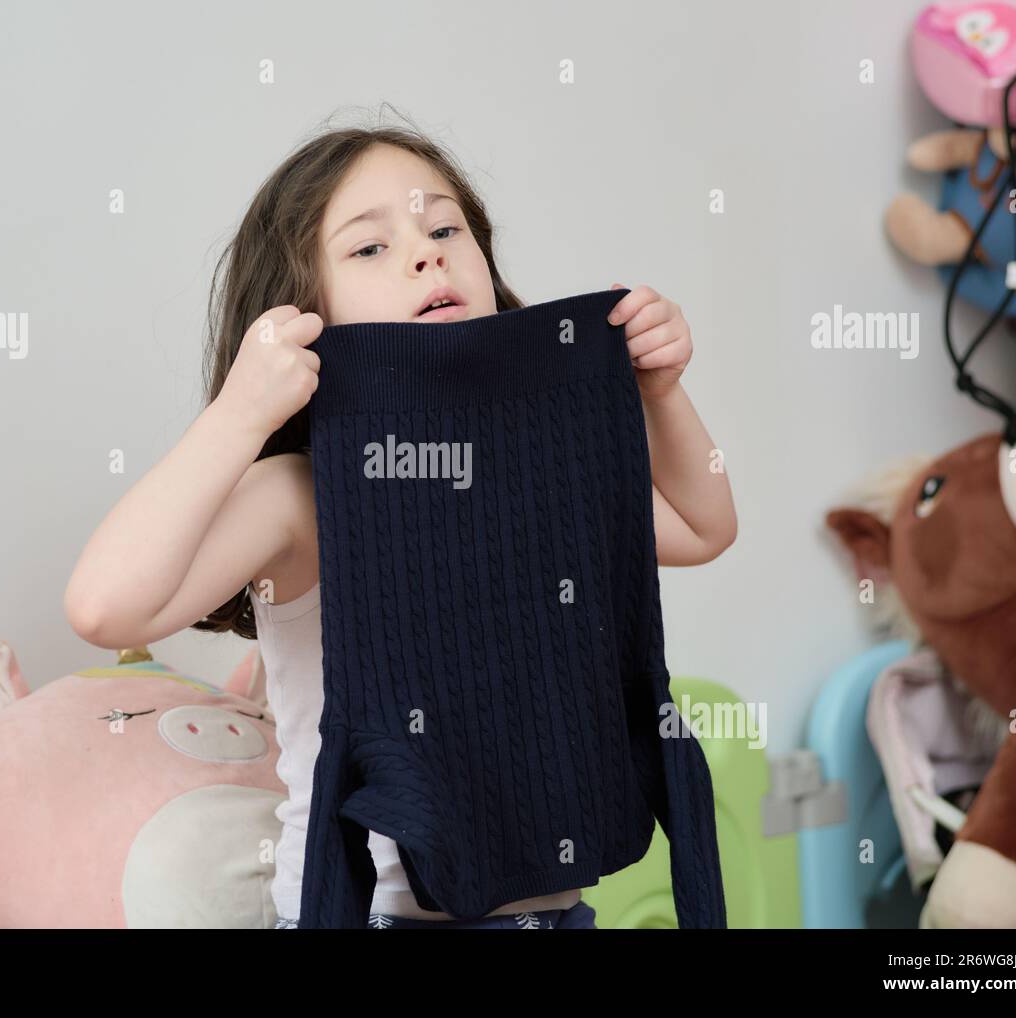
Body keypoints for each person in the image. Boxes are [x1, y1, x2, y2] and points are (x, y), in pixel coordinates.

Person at [64, 114, 737, 929]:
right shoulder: (300, 496)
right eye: (369, 247)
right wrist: (238, 415)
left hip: (555, 911)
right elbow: (106, 608)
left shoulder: (537, 468)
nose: (428, 251)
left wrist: (663, 394)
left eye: (444, 226)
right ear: (301, 311)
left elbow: (704, 529)